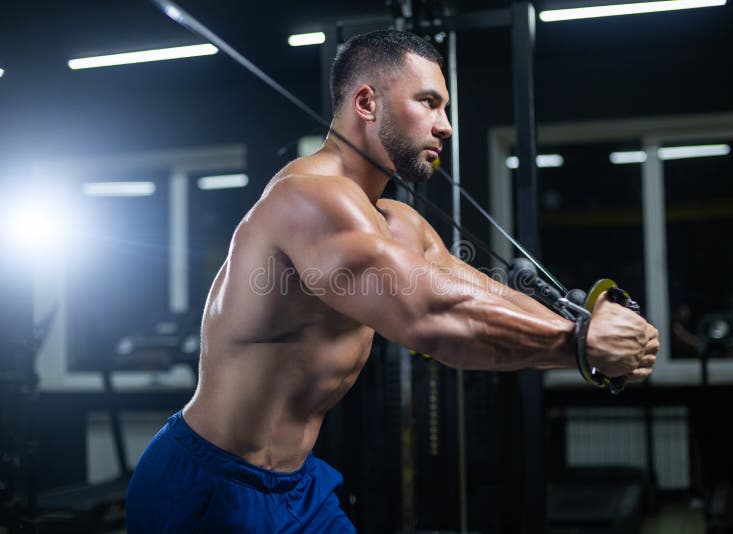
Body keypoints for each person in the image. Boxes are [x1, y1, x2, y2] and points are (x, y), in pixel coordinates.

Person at [126, 30, 659, 533]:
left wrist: (583, 326)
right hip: (206, 486)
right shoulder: (306, 199)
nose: (446, 125)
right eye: (428, 102)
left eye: (444, 107)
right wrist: (582, 345)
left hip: (298, 486)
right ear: (366, 104)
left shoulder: (397, 224)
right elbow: (432, 318)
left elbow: (480, 297)